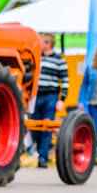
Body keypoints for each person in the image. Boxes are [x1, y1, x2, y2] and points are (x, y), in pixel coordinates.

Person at [31, 33, 69, 167]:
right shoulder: (36, 59)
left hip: (51, 96)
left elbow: (65, 81)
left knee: (47, 126)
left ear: (48, 44)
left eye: (41, 42)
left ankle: (43, 158)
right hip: (35, 96)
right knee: (34, 126)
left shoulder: (59, 60)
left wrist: (62, 99)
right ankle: (40, 149)